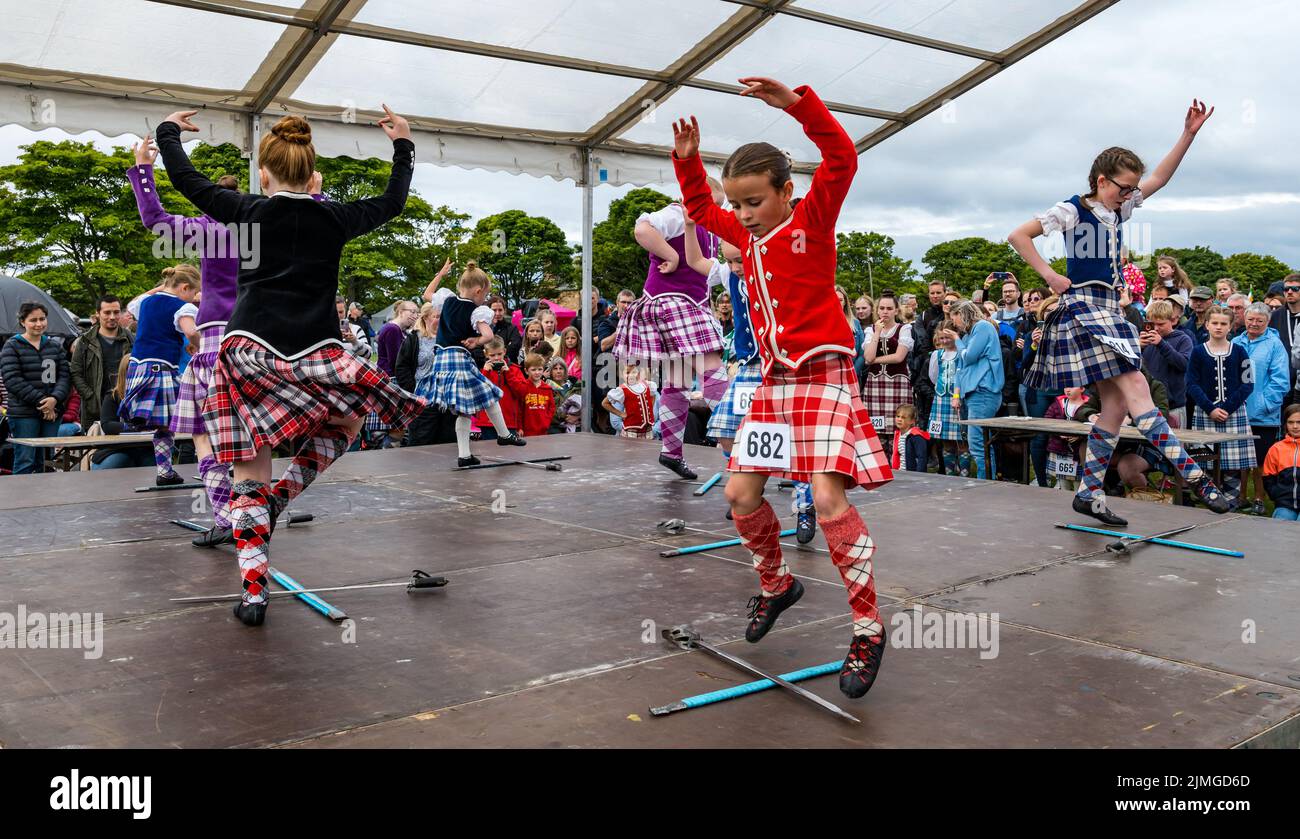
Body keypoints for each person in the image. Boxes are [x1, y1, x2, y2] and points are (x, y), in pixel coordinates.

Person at [156, 105, 426, 627]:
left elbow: (185, 180)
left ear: (264, 173)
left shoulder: (248, 210)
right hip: (316, 351)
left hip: (249, 350)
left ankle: (254, 594)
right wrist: (402, 144)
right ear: (312, 174)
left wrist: (169, 132)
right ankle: (280, 498)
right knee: (350, 420)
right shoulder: (335, 217)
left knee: (247, 472)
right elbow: (394, 201)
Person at [673, 77, 892, 699]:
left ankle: (868, 628)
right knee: (741, 495)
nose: (742, 215)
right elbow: (698, 212)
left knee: (826, 501)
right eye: (736, 204)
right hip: (773, 384)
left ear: (786, 191)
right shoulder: (747, 238)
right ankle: (775, 585)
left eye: (753, 202)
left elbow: (843, 157)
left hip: (822, 376)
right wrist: (689, 164)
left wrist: (797, 107)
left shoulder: (813, 221)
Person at [1009, 99, 1232, 525]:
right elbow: (1018, 235)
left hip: (1112, 309)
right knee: (1137, 388)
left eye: (1132, 189)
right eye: (1124, 187)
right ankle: (1197, 479)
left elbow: (1161, 177)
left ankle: (1089, 492)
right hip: (1087, 307)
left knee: (1113, 408)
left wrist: (1189, 134)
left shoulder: (1119, 209)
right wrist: (1051, 276)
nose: (1131, 195)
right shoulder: (1073, 209)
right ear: (1101, 180)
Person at [684, 227, 817, 543]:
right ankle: (749, 487)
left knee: (794, 440)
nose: (735, 268)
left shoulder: (777, 271)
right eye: (729, 262)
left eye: (739, 261)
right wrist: (690, 226)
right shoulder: (729, 275)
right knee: (724, 431)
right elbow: (693, 260)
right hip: (751, 365)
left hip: (784, 364)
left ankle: (805, 507)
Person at [618, 175, 729, 481]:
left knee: (678, 380)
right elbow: (642, 228)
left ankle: (671, 451)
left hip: (683, 305)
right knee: (712, 369)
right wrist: (671, 254)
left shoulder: (708, 229)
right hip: (676, 305)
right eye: (711, 205)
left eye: (718, 207)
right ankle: (739, 446)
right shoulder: (676, 214)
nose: (715, 212)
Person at [425, 263, 528, 465]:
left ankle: (464, 456)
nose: (484, 300)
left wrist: (441, 274)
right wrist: (477, 341)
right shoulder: (475, 310)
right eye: (485, 295)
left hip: (441, 361)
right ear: (478, 291)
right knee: (490, 393)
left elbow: (427, 294)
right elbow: (488, 335)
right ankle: (504, 434)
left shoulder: (447, 300)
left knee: (463, 410)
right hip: (459, 359)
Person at [118, 265, 201, 486]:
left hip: (138, 369)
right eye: (194, 293)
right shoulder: (183, 307)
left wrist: (163, 286)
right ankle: (211, 466)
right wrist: (200, 346)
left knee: (165, 425)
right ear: (185, 288)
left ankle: (165, 472)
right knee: (198, 417)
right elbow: (191, 331)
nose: (194, 298)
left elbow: (133, 303)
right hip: (162, 369)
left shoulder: (145, 303)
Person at [1186, 308, 1255, 507]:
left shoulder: (1240, 351)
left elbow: (1248, 383)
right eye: (1214, 323)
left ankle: (1231, 504)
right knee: (1205, 461)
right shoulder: (1197, 352)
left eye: (1223, 324)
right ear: (1207, 324)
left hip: (1234, 414)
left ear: (1231, 326)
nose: (1218, 327)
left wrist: (1228, 407)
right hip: (1205, 413)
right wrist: (1210, 408)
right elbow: (1191, 384)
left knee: (1232, 465)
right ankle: (1211, 502)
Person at [1232, 302, 1291, 514]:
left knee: (1259, 460)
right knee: (1240, 458)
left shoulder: (1275, 344)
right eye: (1250, 319)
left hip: (1263, 414)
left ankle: (1258, 497)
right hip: (1238, 411)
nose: (1254, 323)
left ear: (1267, 322)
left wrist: (1265, 404)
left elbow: (1280, 380)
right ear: (1244, 319)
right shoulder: (1236, 341)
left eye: (1260, 320)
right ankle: (1240, 496)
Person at [0, 303, 71, 474]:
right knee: (25, 459)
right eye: (33, 320)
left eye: (42, 319)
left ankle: (46, 499)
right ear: (23, 322)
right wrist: (43, 402)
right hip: (24, 413)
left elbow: (65, 376)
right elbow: (13, 379)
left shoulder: (54, 346)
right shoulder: (12, 346)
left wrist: (54, 399)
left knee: (46, 461)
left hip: (53, 412)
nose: (39, 323)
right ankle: (22, 500)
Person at [937, 300, 1003, 480]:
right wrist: (956, 395)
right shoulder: (967, 336)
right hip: (970, 394)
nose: (955, 323)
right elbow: (960, 369)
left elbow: (969, 356)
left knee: (977, 444)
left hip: (983, 391)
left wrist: (958, 341)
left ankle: (986, 483)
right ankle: (986, 480)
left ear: (962, 313)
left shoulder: (983, 327)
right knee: (977, 443)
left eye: (954, 318)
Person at [70, 295, 134, 432]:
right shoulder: (85, 341)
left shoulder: (131, 339)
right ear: (98, 314)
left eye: (116, 312)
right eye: (107, 312)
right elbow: (76, 372)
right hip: (95, 407)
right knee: (94, 450)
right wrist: (90, 396)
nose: (112, 317)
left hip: (126, 406)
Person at [397, 301, 456, 447]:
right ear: (425, 318)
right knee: (421, 442)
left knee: (447, 444)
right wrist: (414, 392)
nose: (441, 320)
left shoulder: (451, 339)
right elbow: (401, 367)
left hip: (447, 402)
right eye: (436, 316)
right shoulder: (414, 339)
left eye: (443, 317)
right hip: (423, 403)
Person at [1020, 295, 1063, 487]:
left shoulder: (1070, 333)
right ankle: (1042, 480)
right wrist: (1034, 345)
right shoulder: (1033, 334)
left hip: (1064, 390)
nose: (1052, 314)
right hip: (1039, 390)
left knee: (1065, 436)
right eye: (1048, 311)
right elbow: (1025, 364)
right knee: (1039, 437)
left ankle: (1064, 480)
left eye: (1056, 310)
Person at [90, 353, 156, 470]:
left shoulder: (151, 396)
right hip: (118, 448)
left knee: (153, 467)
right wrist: (133, 428)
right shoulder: (112, 396)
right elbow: (107, 425)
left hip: (146, 447)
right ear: (124, 373)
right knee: (102, 469)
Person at [861, 292, 913, 435]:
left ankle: (898, 456)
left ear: (896, 310)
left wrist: (873, 361)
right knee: (876, 429)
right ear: (877, 310)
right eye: (882, 308)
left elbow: (899, 357)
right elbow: (868, 355)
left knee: (900, 428)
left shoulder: (904, 329)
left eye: (889, 308)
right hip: (875, 383)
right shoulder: (871, 330)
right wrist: (877, 332)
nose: (885, 312)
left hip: (898, 381)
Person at [1139, 299, 1193, 428]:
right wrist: (1137, 348)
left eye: (1161, 324)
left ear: (1172, 321)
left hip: (1173, 406)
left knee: (1175, 445)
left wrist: (1161, 344)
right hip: (1146, 405)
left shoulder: (1183, 339)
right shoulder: (1145, 340)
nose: (1156, 328)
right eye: (1152, 324)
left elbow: (1184, 364)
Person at [926, 319, 969, 476]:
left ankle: (964, 474)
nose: (944, 341)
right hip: (941, 399)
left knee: (962, 440)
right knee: (945, 440)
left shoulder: (962, 353)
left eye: (947, 337)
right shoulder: (937, 355)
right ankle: (950, 474)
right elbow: (933, 375)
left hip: (958, 399)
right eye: (941, 338)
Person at [472, 336, 527, 438]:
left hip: (509, 421)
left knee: (508, 452)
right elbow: (476, 394)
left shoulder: (514, 370)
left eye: (499, 354)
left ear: (505, 351)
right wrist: (485, 373)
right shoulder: (481, 371)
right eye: (492, 355)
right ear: (486, 354)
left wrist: (508, 374)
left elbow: (522, 392)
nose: (497, 358)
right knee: (489, 453)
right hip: (487, 422)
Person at [1043, 386, 1088, 491]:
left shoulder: (1089, 406)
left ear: (1082, 388)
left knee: (1079, 484)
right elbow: (1047, 420)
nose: (1068, 390)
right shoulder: (1058, 404)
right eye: (1066, 386)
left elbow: (1094, 424)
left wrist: (1080, 435)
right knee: (1063, 484)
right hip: (1060, 451)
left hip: (1079, 453)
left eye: (1072, 387)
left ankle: (1078, 503)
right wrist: (1058, 433)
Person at [1262, 403, 1300, 520]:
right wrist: (1277, 495)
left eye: (1299, 422)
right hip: (1284, 504)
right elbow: (1268, 478)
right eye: (1290, 422)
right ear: (1285, 424)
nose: (1295, 426)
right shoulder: (1276, 449)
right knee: (1280, 529)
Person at [602, 363, 658, 439]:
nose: (631, 375)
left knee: (647, 450)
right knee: (632, 449)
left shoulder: (647, 385)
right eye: (627, 373)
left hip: (648, 430)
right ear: (622, 375)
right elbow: (605, 403)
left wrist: (649, 410)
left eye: (634, 372)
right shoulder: (621, 390)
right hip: (631, 431)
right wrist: (621, 414)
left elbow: (653, 394)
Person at [1269, 273, 1300, 410]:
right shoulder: (1275, 316)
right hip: (1282, 379)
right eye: (1286, 289)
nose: (1290, 292)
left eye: (1295, 289)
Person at [518, 353, 557, 437]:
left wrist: (546, 421)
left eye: (540, 369)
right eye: (533, 369)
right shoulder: (523, 386)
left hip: (543, 430)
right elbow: (519, 409)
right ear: (526, 371)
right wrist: (519, 427)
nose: (537, 372)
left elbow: (552, 407)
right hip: (526, 431)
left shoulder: (547, 388)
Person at [889, 403, 928, 472]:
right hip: (900, 472)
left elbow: (922, 458)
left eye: (903, 417)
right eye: (898, 416)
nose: (899, 419)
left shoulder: (916, 437)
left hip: (912, 475)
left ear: (912, 421)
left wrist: (919, 475)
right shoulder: (898, 434)